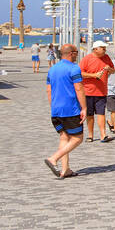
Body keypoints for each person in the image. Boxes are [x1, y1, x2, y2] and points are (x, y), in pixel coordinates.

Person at [44, 43, 87, 179]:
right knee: (77, 138)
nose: (77, 54)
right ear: (71, 53)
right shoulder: (74, 68)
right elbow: (79, 88)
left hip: (56, 110)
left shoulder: (53, 69)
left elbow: (48, 90)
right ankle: (53, 158)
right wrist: (84, 108)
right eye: (76, 52)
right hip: (71, 110)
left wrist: (53, 106)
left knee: (64, 137)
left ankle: (65, 169)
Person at [79, 41, 115, 141]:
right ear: (95, 49)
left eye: (105, 48)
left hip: (102, 91)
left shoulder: (106, 58)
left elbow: (113, 70)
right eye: (102, 48)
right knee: (90, 114)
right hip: (88, 91)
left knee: (101, 113)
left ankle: (103, 135)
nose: (105, 50)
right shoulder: (87, 59)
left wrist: (109, 69)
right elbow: (80, 73)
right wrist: (94, 75)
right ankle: (90, 135)